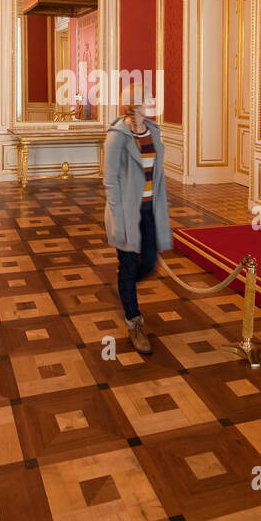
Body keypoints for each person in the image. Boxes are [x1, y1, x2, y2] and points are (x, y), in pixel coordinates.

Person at [103, 84, 172, 354]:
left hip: (149, 211)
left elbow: (157, 173)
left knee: (150, 261)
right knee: (129, 264)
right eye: (146, 97)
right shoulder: (117, 137)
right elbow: (110, 181)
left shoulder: (153, 132)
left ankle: (125, 283)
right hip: (126, 212)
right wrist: (119, 219)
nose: (151, 100)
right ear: (135, 104)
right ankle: (134, 321)